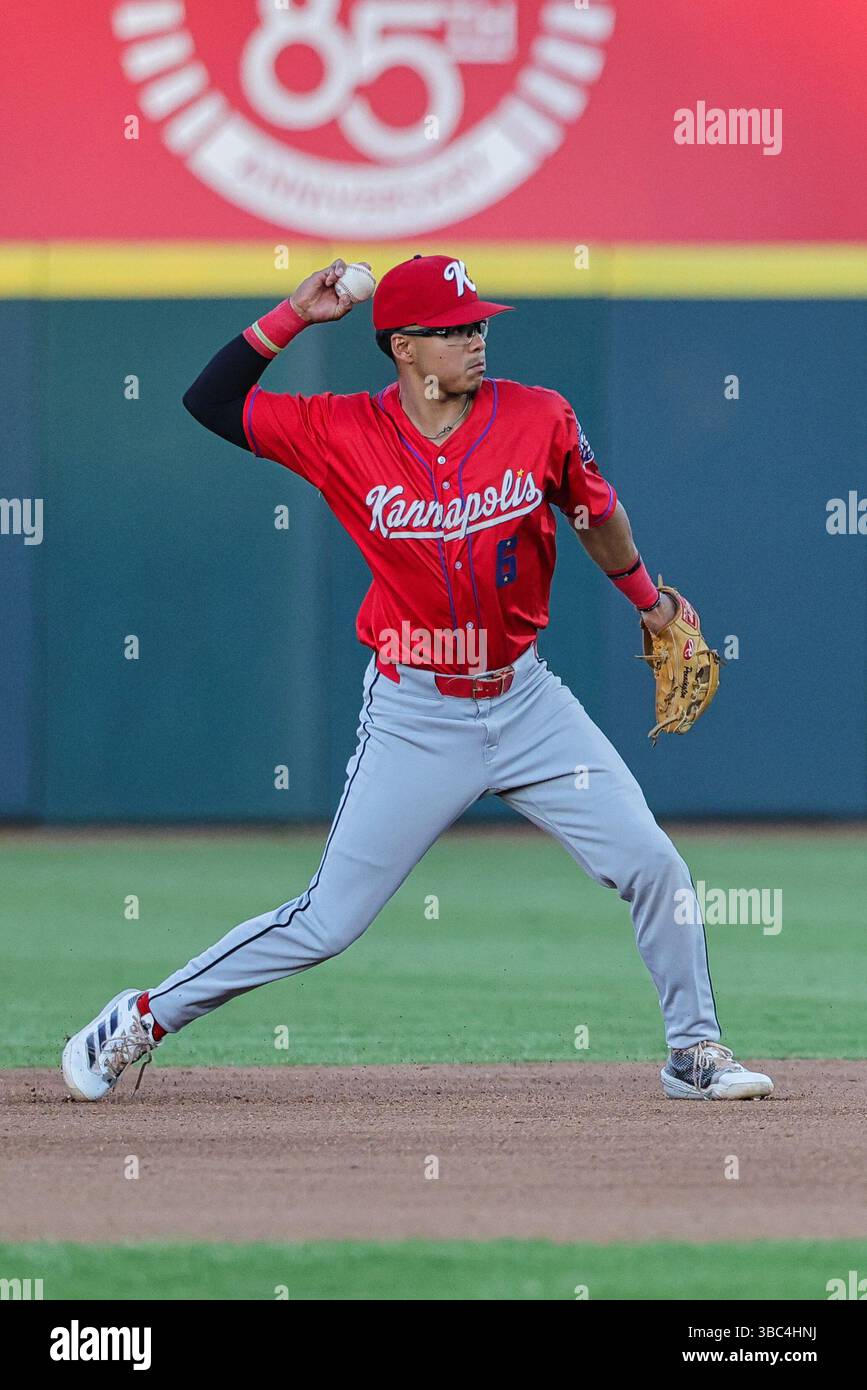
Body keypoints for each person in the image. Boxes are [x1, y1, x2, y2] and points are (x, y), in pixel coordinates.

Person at [61, 255, 773, 1104]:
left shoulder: (537, 416)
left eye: (479, 324)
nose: (477, 340)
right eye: (456, 328)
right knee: (326, 922)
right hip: (416, 714)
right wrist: (292, 315)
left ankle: (693, 1052)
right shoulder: (340, 431)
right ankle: (140, 1017)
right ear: (403, 346)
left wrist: (649, 604)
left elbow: (595, 512)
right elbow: (208, 403)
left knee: (654, 864)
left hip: (525, 699)